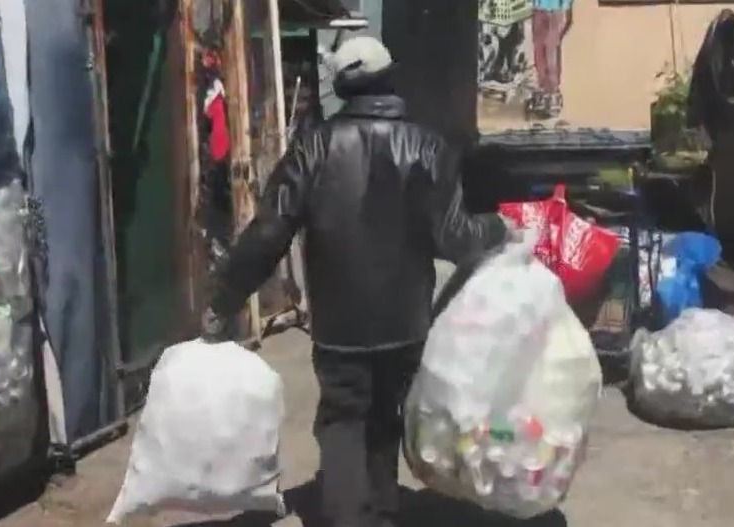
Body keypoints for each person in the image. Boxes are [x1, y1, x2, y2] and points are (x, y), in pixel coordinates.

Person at [202, 36, 511, 527]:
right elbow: (456, 238)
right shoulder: (427, 147)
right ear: (389, 77)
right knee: (386, 421)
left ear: (343, 87)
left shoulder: (312, 148)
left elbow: (268, 233)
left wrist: (225, 297)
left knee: (343, 422)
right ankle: (381, 515)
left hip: (339, 328)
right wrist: (498, 228)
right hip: (406, 322)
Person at [527, 0, 573, 118]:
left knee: (551, 49)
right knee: (539, 49)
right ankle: (543, 88)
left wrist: (566, 7)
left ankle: (552, 91)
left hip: (556, 9)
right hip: (538, 9)